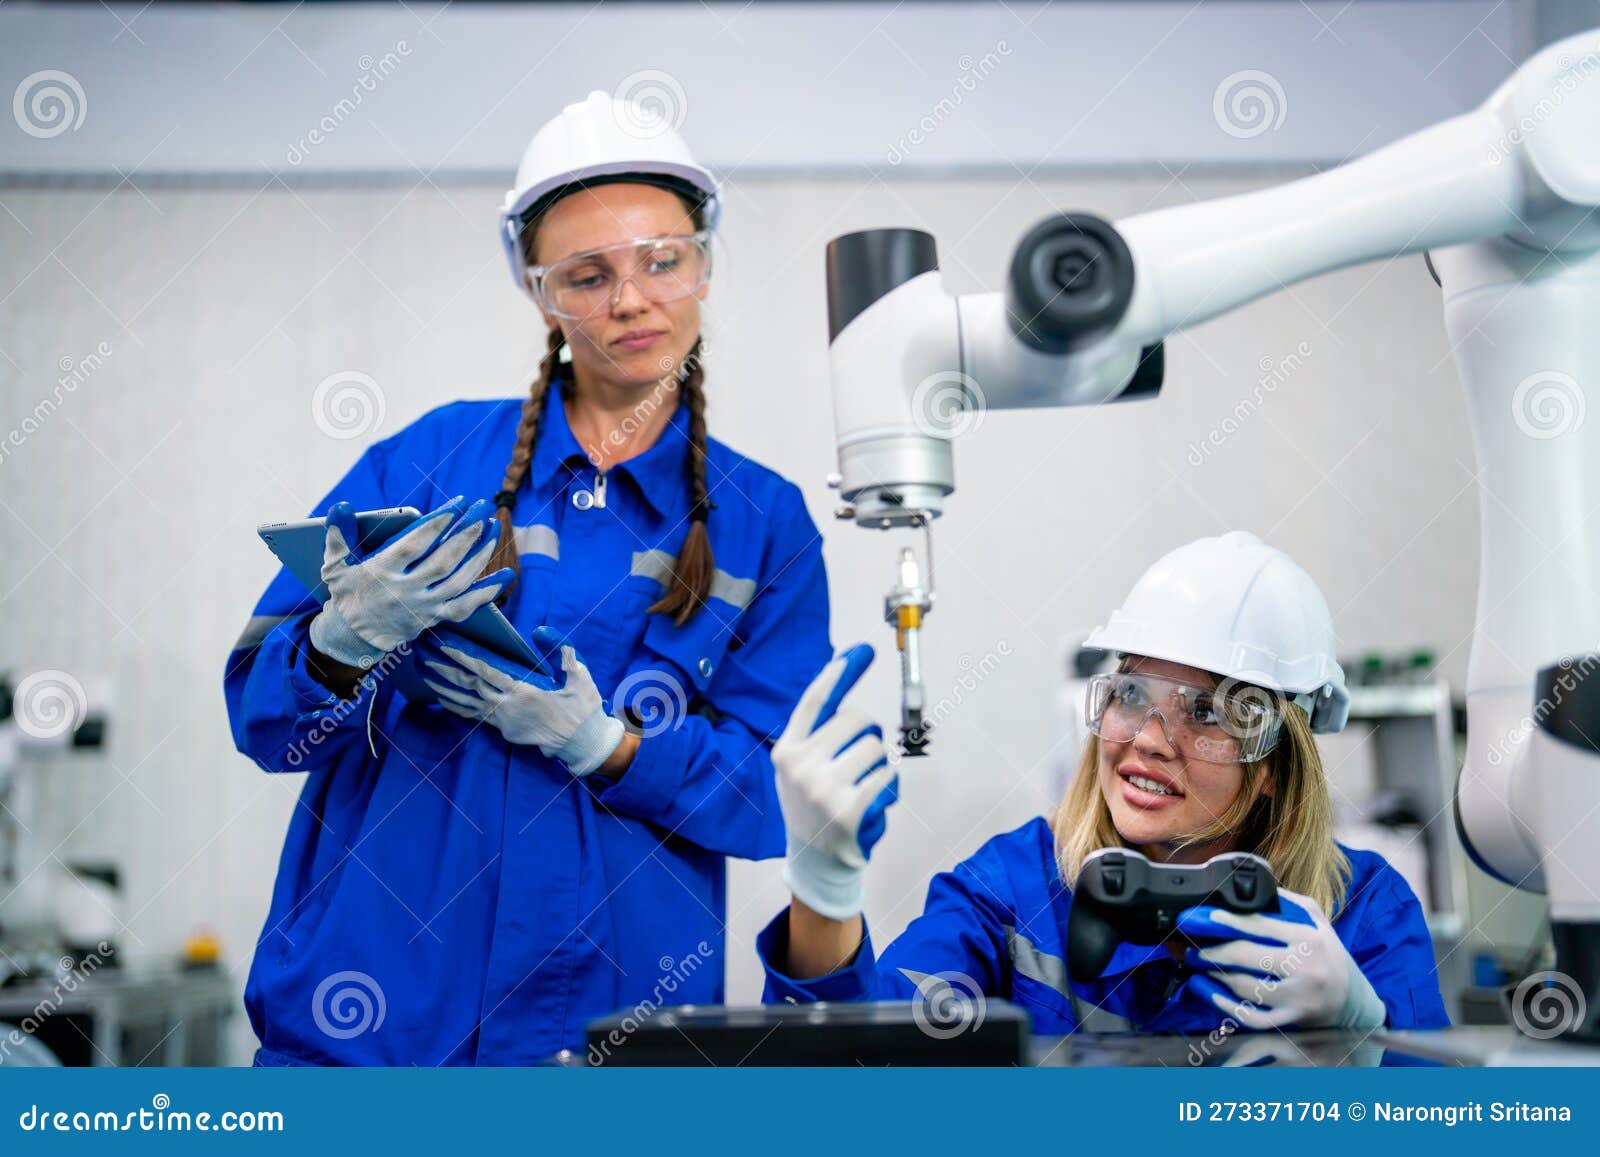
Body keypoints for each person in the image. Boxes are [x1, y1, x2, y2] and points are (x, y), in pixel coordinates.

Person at [225, 91, 832, 1064]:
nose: (630, 299)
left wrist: (611, 749)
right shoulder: (426, 462)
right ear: (541, 293)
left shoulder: (764, 523)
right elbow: (263, 722)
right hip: (370, 1035)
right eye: (587, 275)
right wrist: (339, 644)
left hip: (611, 1045)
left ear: (704, 265)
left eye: (662, 260)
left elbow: (784, 801)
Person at [759, 532, 1450, 1034]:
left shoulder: (1365, 916)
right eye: (1131, 694)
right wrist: (823, 890)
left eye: (1206, 711)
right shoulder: (1015, 891)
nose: (1148, 738)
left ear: (1274, 763)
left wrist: (1364, 1041)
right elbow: (859, 1083)